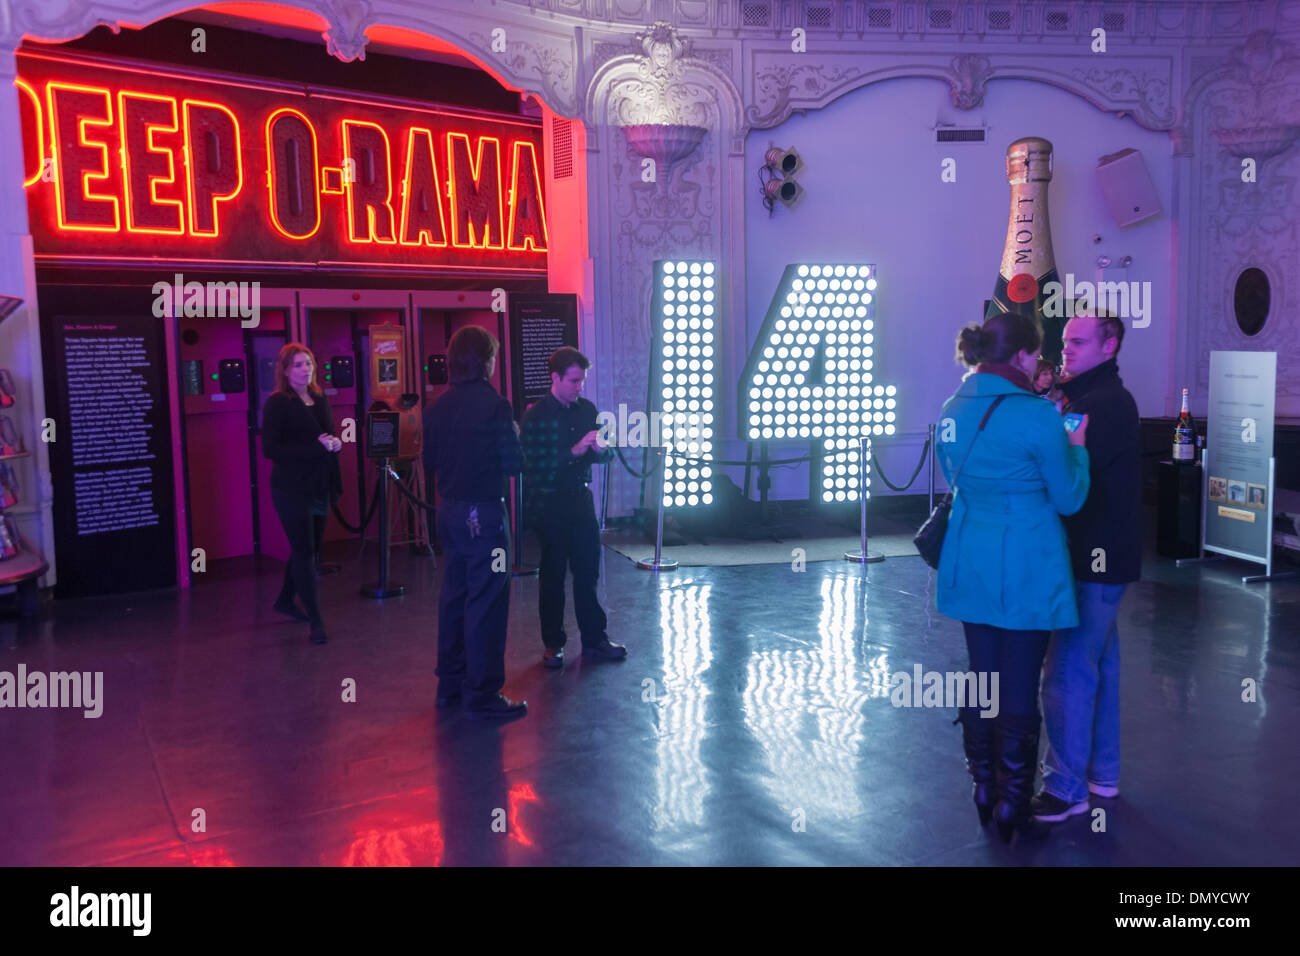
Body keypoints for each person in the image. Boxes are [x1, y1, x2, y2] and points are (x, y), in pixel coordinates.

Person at [936, 312, 1090, 843]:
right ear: (1024, 356)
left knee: (983, 675)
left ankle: (983, 787)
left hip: (970, 556)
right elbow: (1069, 497)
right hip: (1026, 559)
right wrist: (1078, 447)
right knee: (1020, 682)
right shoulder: (1039, 416)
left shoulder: (952, 407)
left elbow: (956, 477)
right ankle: (1012, 803)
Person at [1033, 312, 1140, 823]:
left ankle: (1065, 788)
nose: (1066, 349)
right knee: (1099, 666)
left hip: (1092, 558)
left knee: (1068, 671)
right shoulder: (1095, 400)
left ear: (1109, 345)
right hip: (1103, 557)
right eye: (1065, 341)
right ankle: (1102, 773)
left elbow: (1068, 482)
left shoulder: (1101, 405)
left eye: (1078, 341)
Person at [423, 326, 526, 719]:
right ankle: (482, 692)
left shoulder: (437, 406)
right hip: (484, 518)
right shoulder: (496, 406)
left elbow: (429, 461)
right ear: (486, 361)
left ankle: (449, 685)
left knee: (454, 596)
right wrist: (514, 434)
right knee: (487, 601)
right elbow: (514, 465)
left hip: (449, 513)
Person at [520, 347, 623, 668]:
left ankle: (594, 638)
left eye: (582, 381)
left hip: (580, 499)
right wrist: (575, 451)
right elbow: (534, 467)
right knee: (552, 575)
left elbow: (605, 454)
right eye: (574, 381)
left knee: (588, 570)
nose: (580, 387)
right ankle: (553, 644)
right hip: (550, 503)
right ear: (556, 378)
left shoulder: (586, 409)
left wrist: (602, 450)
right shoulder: (536, 416)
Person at [261, 343, 343, 645]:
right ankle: (316, 622)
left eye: (308, 363)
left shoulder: (319, 398)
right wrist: (316, 448)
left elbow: (327, 436)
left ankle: (285, 599)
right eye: (297, 364)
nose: (305, 369)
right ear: (285, 370)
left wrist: (335, 444)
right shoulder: (278, 403)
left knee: (307, 550)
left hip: (319, 484)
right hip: (291, 488)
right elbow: (270, 449)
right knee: (305, 552)